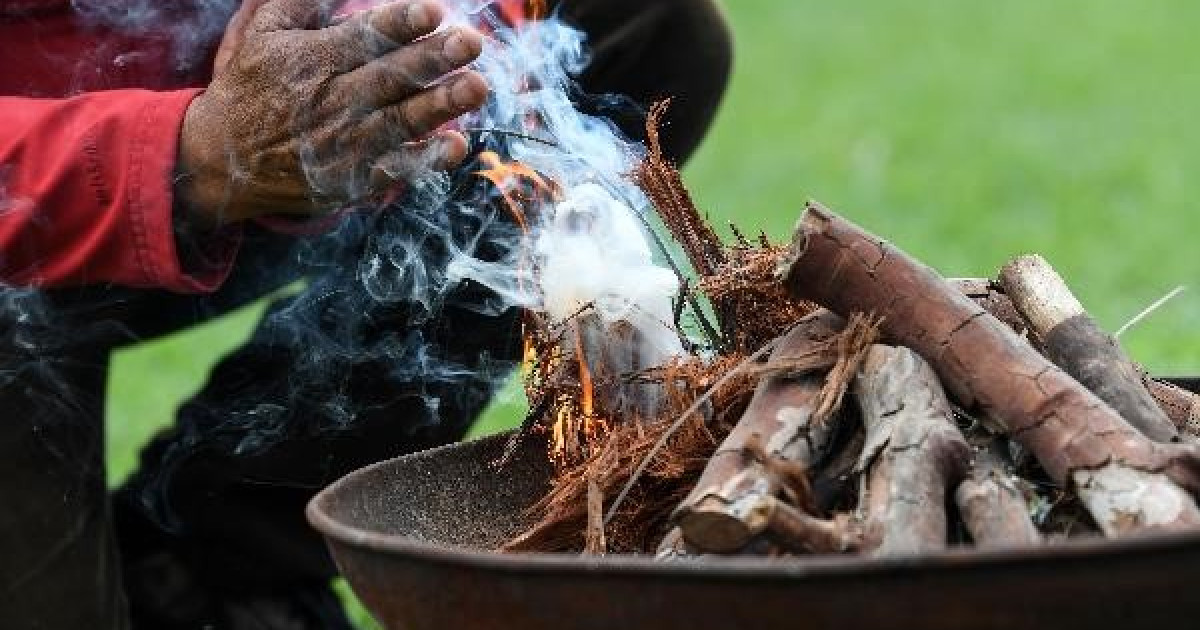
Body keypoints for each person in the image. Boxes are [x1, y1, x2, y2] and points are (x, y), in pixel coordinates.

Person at [0, 0, 732, 628]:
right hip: (53, 186)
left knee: (639, 29)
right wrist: (190, 151)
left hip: (235, 122)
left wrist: (409, 38)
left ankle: (214, 561)